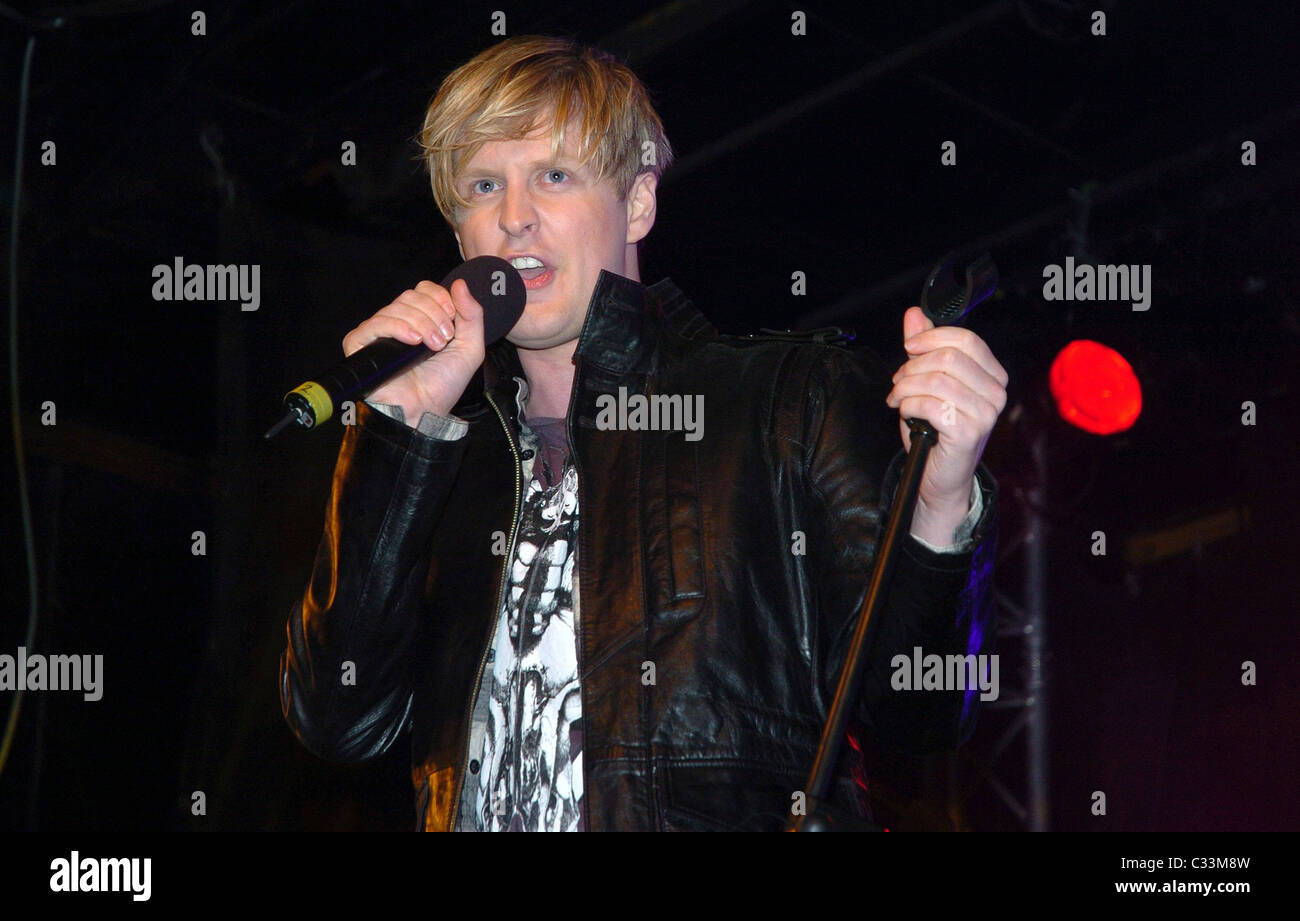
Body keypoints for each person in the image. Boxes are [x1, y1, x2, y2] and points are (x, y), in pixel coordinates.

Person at [279, 35, 1007, 832]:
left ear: (637, 203)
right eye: (484, 186)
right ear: (461, 238)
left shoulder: (787, 399)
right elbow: (338, 723)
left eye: (554, 176)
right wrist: (400, 433)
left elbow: (922, 714)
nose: (514, 217)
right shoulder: (446, 460)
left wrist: (940, 506)